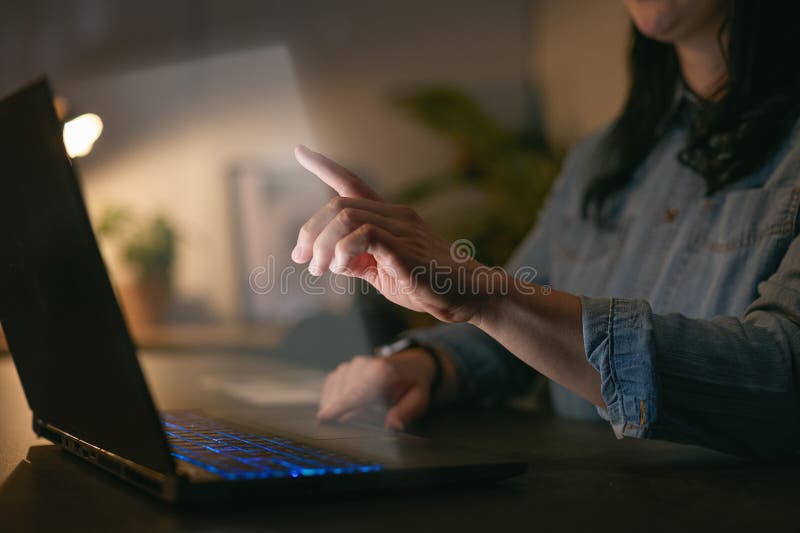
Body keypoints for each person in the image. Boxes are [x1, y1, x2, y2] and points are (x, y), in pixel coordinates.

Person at [291, 0, 800, 457]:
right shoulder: (598, 161)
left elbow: (781, 375)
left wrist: (484, 294)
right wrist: (424, 365)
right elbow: (518, 330)